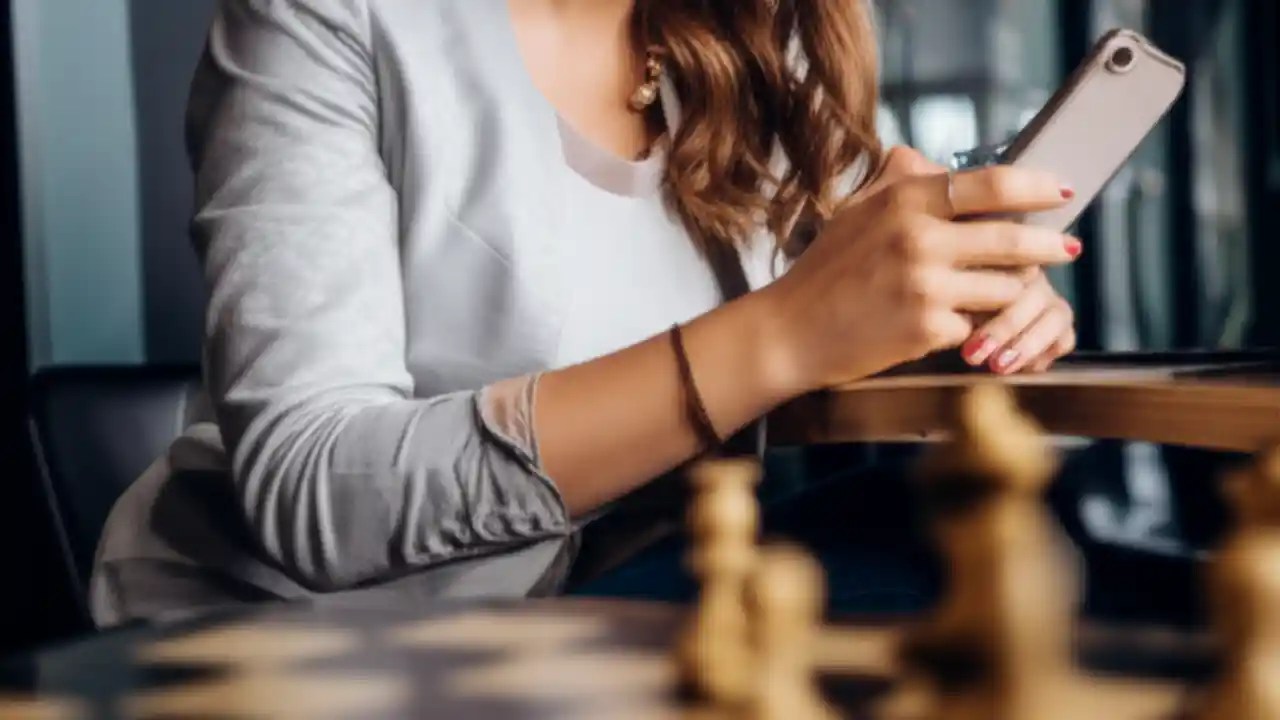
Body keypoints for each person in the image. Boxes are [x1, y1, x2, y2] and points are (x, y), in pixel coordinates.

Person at [90, 0, 1080, 627]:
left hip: (616, 617)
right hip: (295, 642)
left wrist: (945, 295)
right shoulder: (325, 19)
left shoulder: (757, 40)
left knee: (1008, 569)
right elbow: (319, 494)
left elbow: (838, 320)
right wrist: (782, 333)